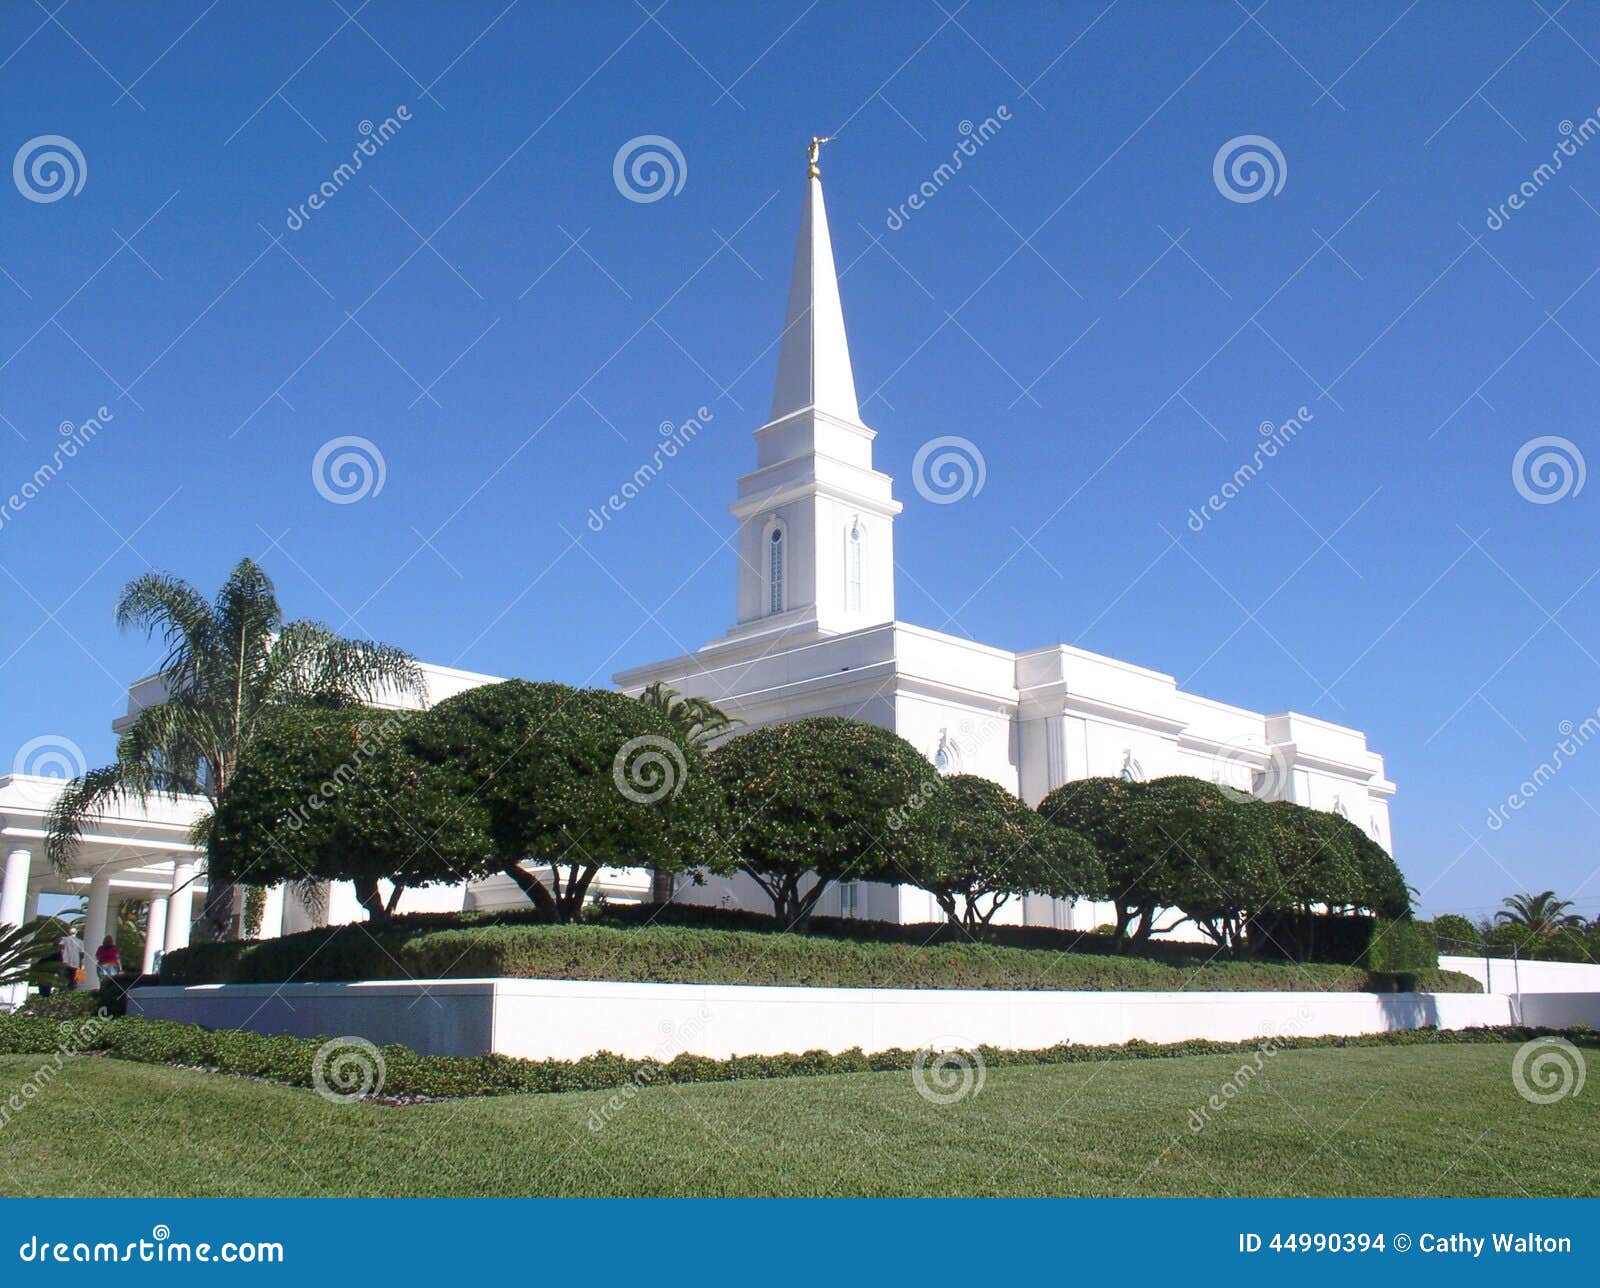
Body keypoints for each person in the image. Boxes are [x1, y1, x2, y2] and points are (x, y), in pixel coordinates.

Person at [57, 924, 87, 990]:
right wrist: (82, 965)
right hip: (75, 964)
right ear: (76, 933)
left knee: (63, 981)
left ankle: (63, 994)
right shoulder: (80, 942)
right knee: (73, 982)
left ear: (69, 932)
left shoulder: (64, 939)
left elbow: (59, 946)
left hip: (65, 962)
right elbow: (82, 954)